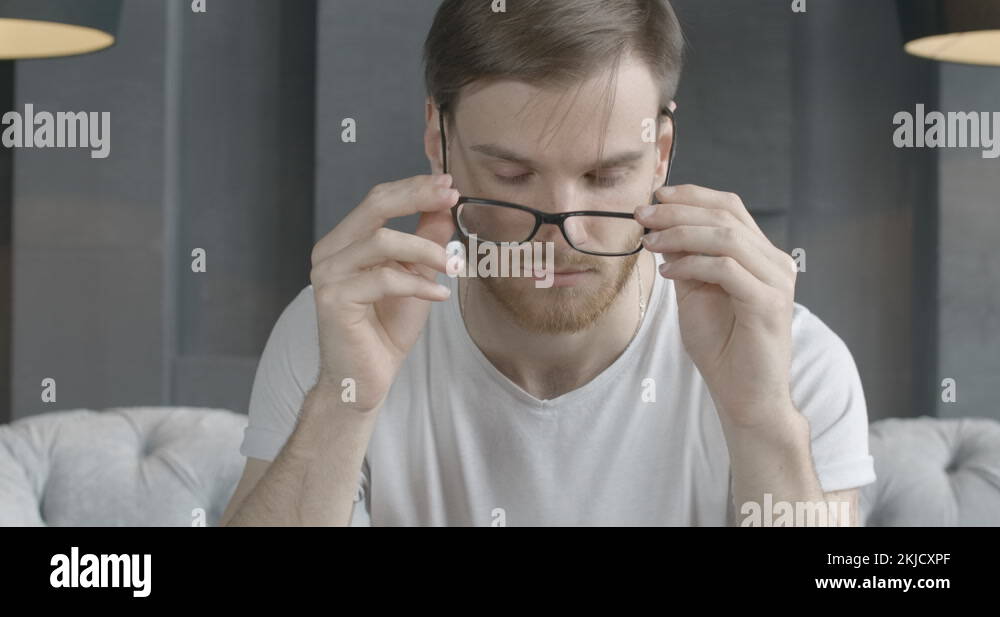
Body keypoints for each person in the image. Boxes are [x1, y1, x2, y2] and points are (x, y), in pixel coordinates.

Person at [222, 0, 874, 526]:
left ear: (661, 153)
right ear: (437, 141)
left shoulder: (794, 360)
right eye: (512, 174)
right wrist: (346, 403)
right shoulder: (339, 329)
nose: (562, 230)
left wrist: (759, 415)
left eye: (604, 174)